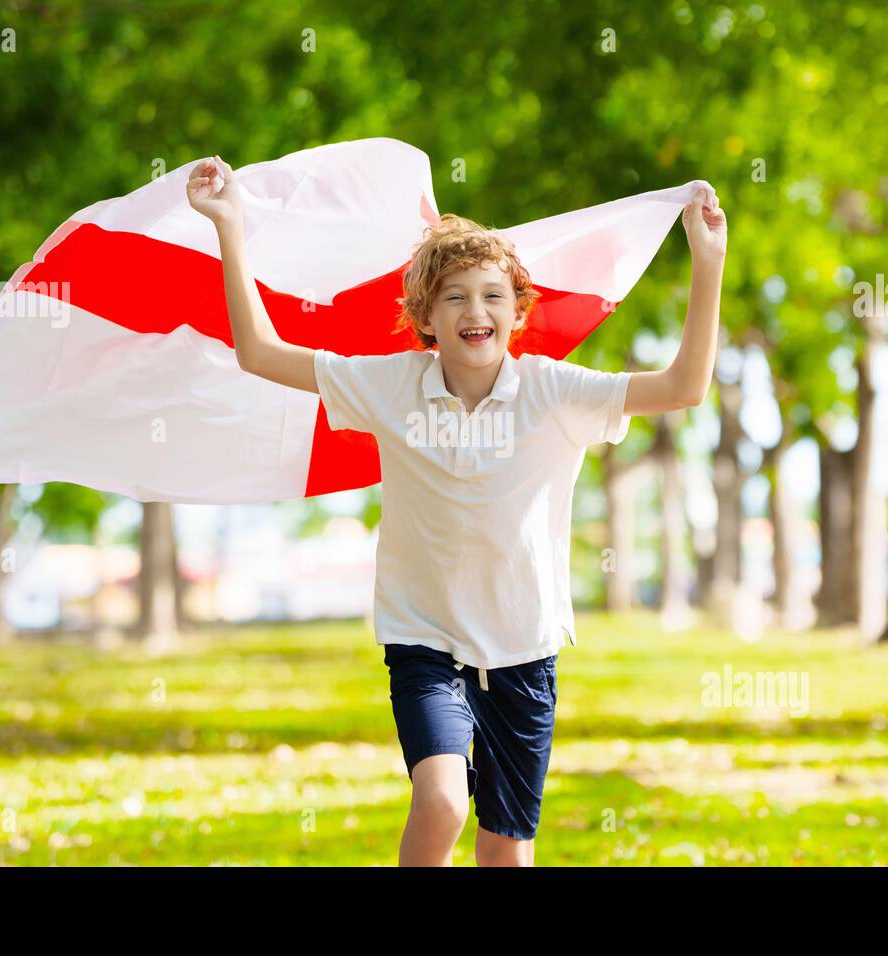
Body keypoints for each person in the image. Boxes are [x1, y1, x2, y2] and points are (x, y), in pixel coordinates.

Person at [187, 154, 727, 866]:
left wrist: (708, 263)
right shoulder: (389, 385)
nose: (476, 312)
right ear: (425, 319)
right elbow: (260, 353)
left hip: (523, 648)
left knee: (506, 850)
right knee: (440, 800)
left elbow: (685, 387)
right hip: (425, 641)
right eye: (455, 299)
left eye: (493, 297)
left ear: (519, 310)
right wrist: (230, 226)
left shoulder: (556, 392)